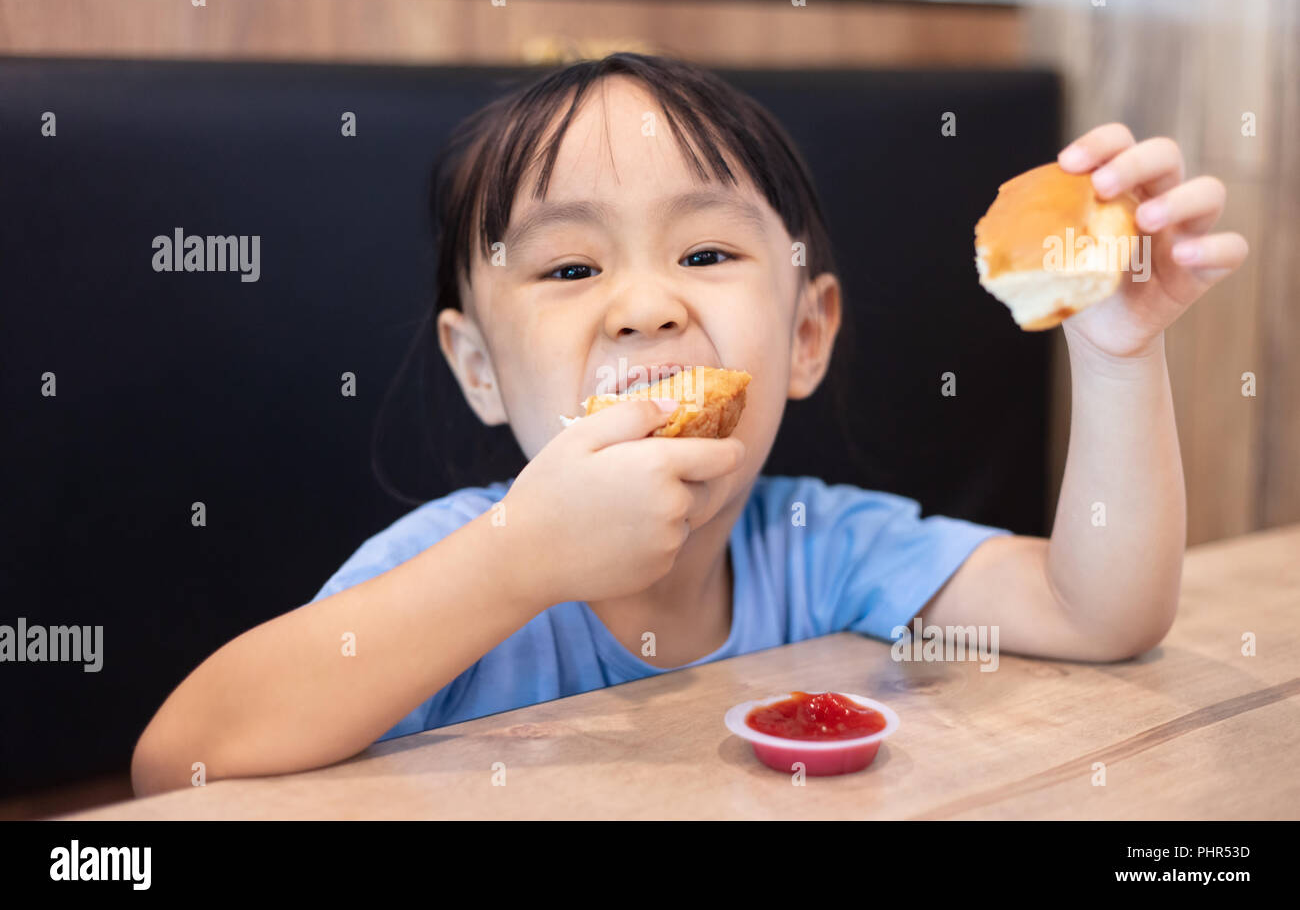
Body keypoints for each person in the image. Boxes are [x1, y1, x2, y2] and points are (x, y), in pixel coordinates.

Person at [130, 53, 1248, 796]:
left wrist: (1114, 354)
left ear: (805, 335)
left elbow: (1099, 610)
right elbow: (176, 763)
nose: (648, 302)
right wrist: (515, 561)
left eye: (706, 252)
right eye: (570, 264)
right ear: (478, 367)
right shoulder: (453, 566)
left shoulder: (821, 546)